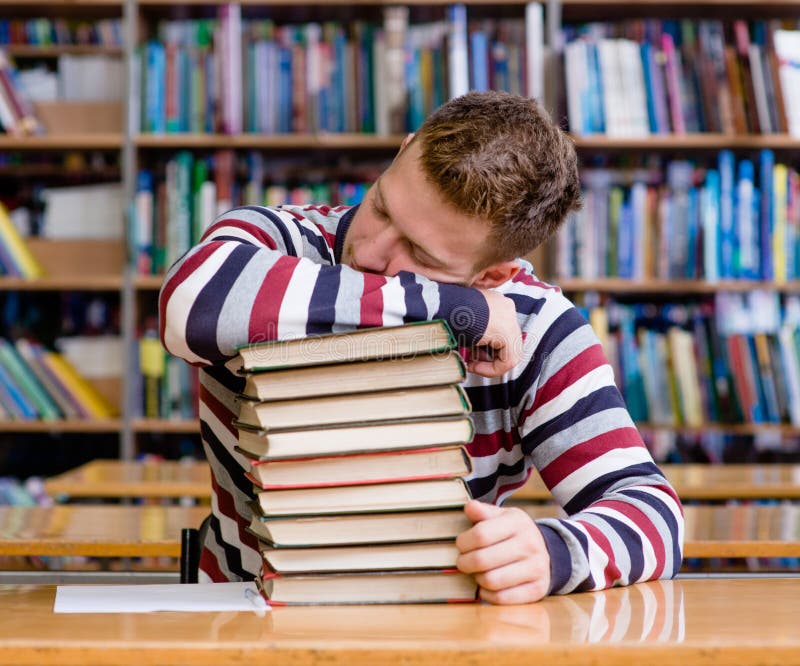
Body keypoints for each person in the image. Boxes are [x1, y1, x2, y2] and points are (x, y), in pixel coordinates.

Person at [160, 90, 684, 604]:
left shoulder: (537, 328)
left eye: (419, 253)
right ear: (402, 150)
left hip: (436, 623)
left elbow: (653, 514)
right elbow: (192, 303)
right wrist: (464, 311)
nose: (369, 252)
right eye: (383, 207)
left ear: (493, 274)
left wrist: (553, 554)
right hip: (241, 610)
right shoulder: (276, 244)